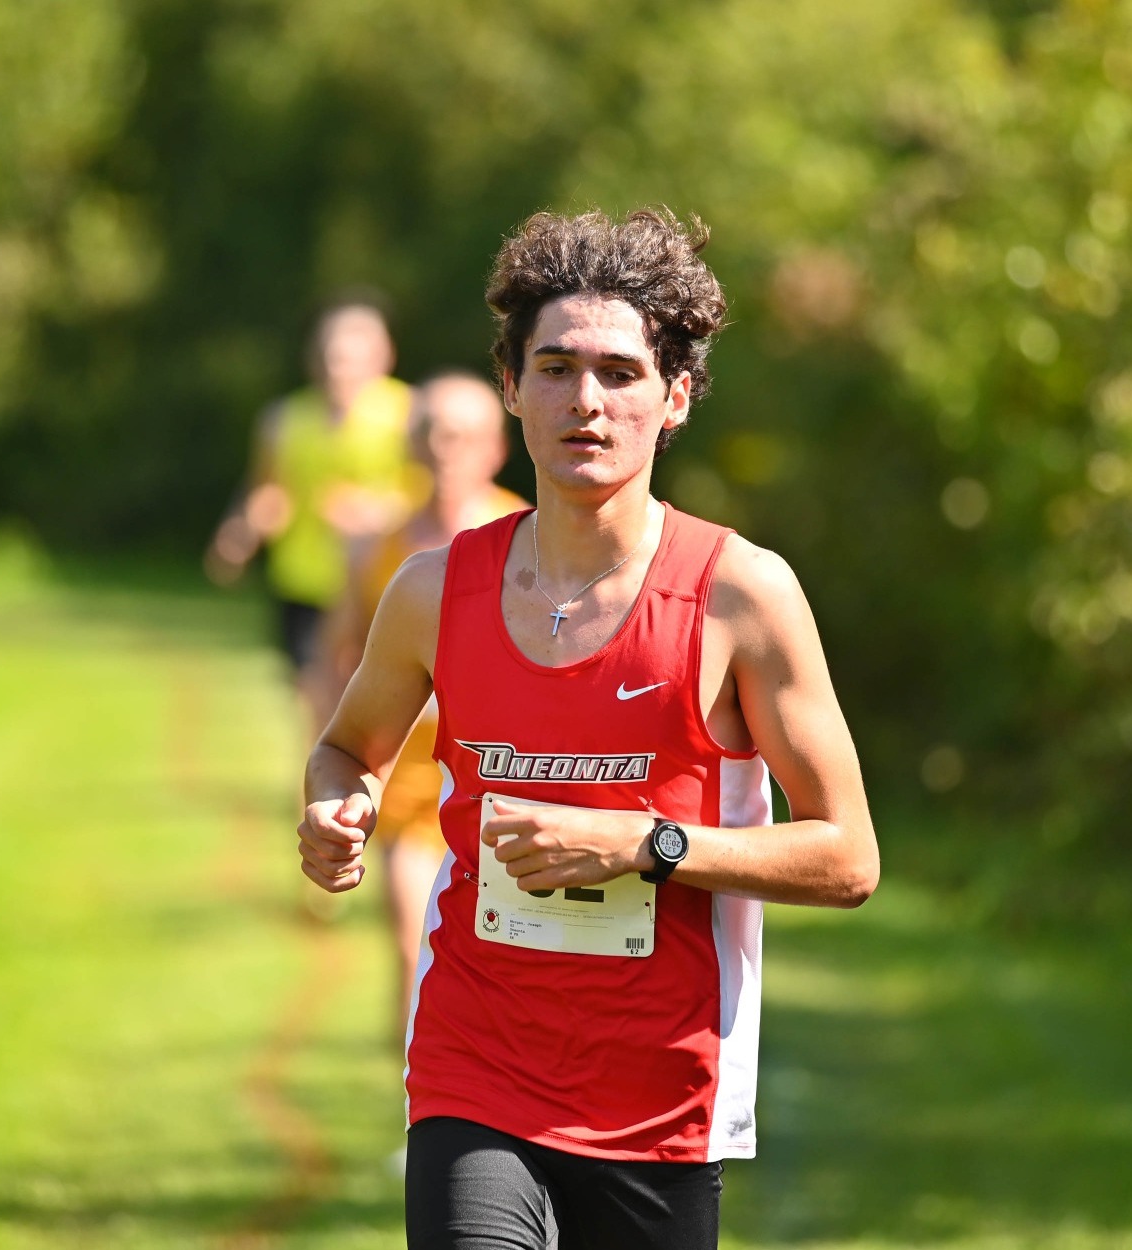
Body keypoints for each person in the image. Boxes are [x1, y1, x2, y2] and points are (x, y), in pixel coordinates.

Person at [296, 208, 879, 1249]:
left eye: (618, 372)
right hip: (472, 1062)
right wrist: (332, 804)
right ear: (510, 385)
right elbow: (348, 747)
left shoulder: (739, 594)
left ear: (675, 398)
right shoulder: (433, 589)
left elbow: (847, 855)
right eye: (555, 367)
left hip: (660, 1095)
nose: (585, 401)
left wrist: (638, 845)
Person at [328, 372, 528, 1048]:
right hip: (412, 786)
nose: (447, 450)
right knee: (416, 955)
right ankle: (417, 1126)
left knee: (508, 969)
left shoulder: (526, 539)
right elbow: (347, 659)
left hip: (503, 782)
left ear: (496, 448)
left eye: (464, 435)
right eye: (431, 434)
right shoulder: (378, 548)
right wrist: (338, 766)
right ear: (411, 447)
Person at [206, 301, 418, 729]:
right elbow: (266, 487)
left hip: (380, 580)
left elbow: (435, 492)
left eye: (349, 358)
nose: (337, 369)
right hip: (303, 579)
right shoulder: (283, 419)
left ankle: (373, 787)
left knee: (370, 692)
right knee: (312, 694)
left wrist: (377, 510)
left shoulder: (413, 415)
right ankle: (323, 784)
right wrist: (240, 534)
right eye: (328, 357)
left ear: (383, 356)